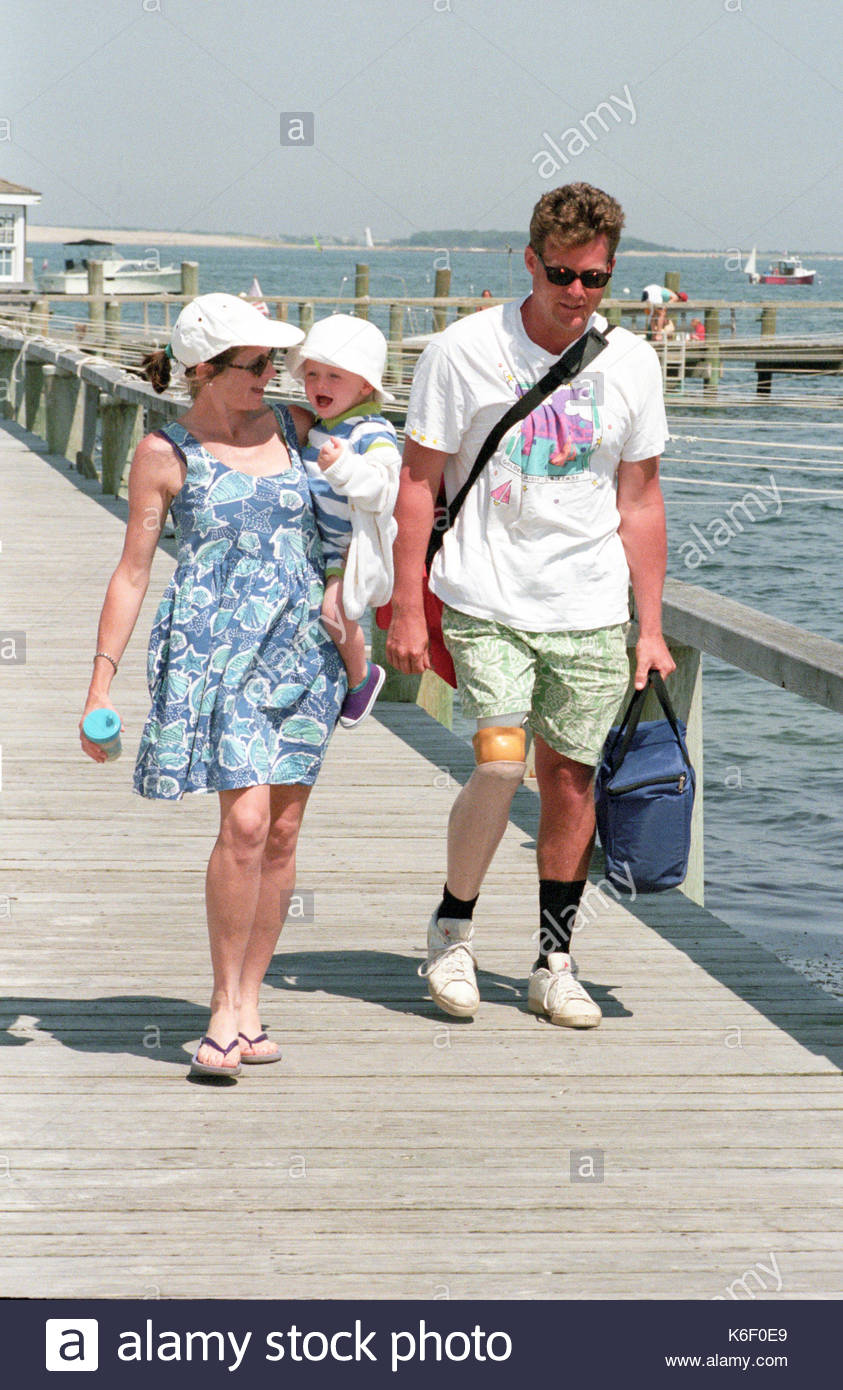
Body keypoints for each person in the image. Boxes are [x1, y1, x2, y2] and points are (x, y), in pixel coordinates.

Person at [387, 182, 674, 1029]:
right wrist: (407, 602)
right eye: (560, 273)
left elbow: (642, 500)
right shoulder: (462, 350)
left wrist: (649, 627)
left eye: (594, 278)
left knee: (571, 781)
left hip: (588, 604)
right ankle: (452, 929)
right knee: (502, 761)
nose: (575, 293)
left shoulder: (630, 362)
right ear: (528, 260)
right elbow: (415, 481)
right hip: (482, 593)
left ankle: (553, 958)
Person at [79, 293, 346, 1078]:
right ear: (204, 370)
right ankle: (223, 1005)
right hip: (213, 650)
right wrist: (100, 687)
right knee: (246, 826)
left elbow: (382, 475)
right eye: (256, 363)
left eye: (273, 362)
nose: (273, 374)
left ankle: (252, 1002)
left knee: (285, 831)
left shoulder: (301, 429)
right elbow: (132, 573)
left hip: (303, 652)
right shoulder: (166, 453)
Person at [286, 315, 400, 726]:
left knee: (334, 610)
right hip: (317, 545)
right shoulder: (319, 427)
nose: (320, 384)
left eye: (335, 375)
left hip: (348, 547)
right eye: (312, 373)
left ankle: (362, 676)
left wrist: (345, 468)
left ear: (366, 385)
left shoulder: (371, 430)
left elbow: (386, 487)